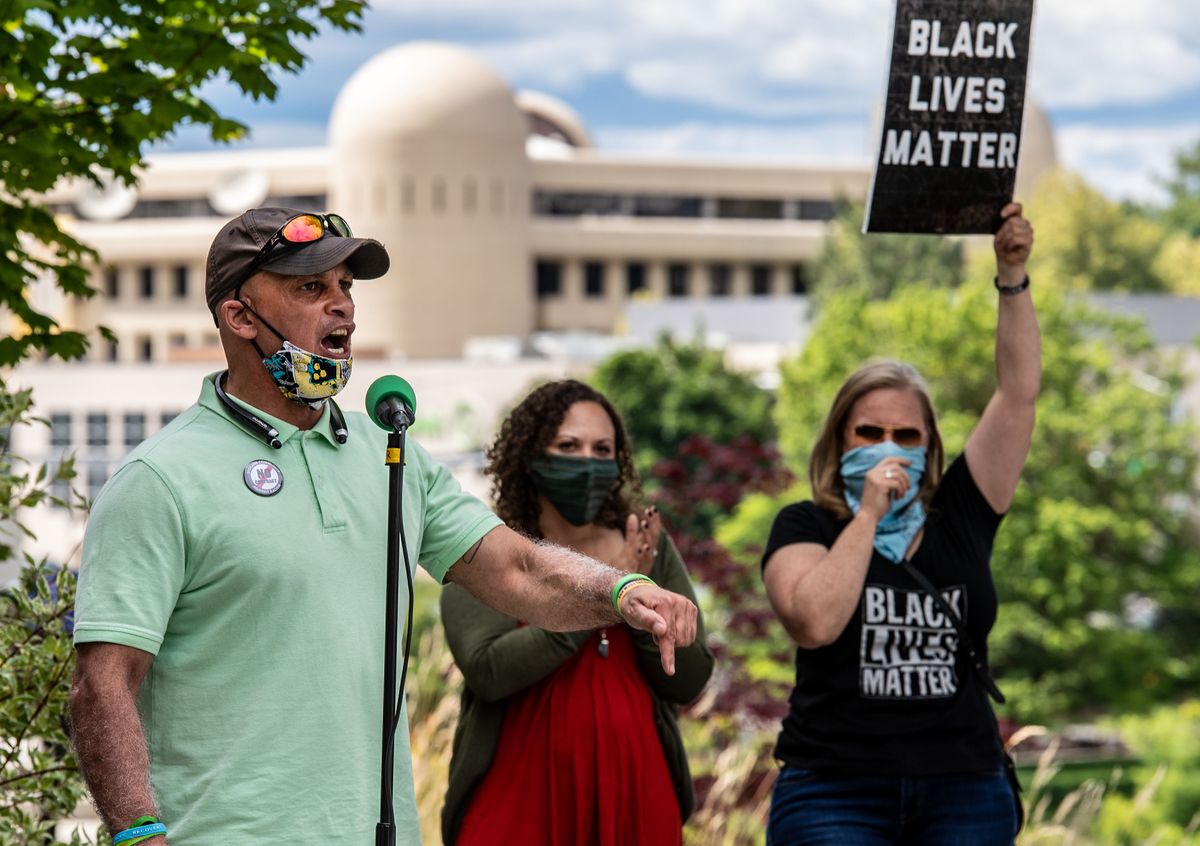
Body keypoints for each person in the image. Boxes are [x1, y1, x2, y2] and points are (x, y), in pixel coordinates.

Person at [68, 208, 698, 846]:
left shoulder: (390, 453)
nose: (341, 306)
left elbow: (518, 568)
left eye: (346, 286)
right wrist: (137, 834)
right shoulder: (161, 477)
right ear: (239, 317)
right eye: (310, 288)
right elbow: (103, 681)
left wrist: (619, 592)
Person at [761, 202, 1038, 845]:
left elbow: (1018, 394)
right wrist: (867, 517)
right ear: (839, 440)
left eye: (906, 435)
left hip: (963, 788)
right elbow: (815, 620)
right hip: (835, 789)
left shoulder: (962, 513)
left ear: (928, 447)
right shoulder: (805, 525)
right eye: (871, 432)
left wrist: (1012, 275)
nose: (890, 447)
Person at [440, 380, 714, 846]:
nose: (587, 461)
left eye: (602, 449)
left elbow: (686, 680)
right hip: (518, 799)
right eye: (568, 446)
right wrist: (609, 594)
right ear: (529, 456)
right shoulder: (488, 550)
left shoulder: (645, 545)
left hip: (635, 795)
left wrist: (642, 604)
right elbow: (489, 671)